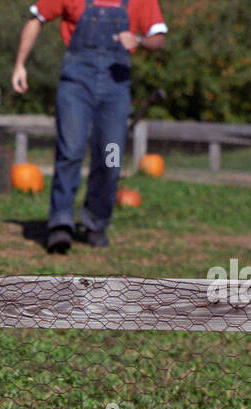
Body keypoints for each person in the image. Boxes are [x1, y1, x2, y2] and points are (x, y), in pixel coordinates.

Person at [11, 0, 166, 253]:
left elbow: (159, 38)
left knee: (111, 157)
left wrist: (138, 40)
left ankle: (96, 222)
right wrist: (19, 64)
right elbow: (35, 18)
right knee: (70, 150)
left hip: (116, 89)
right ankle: (60, 224)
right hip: (75, 85)